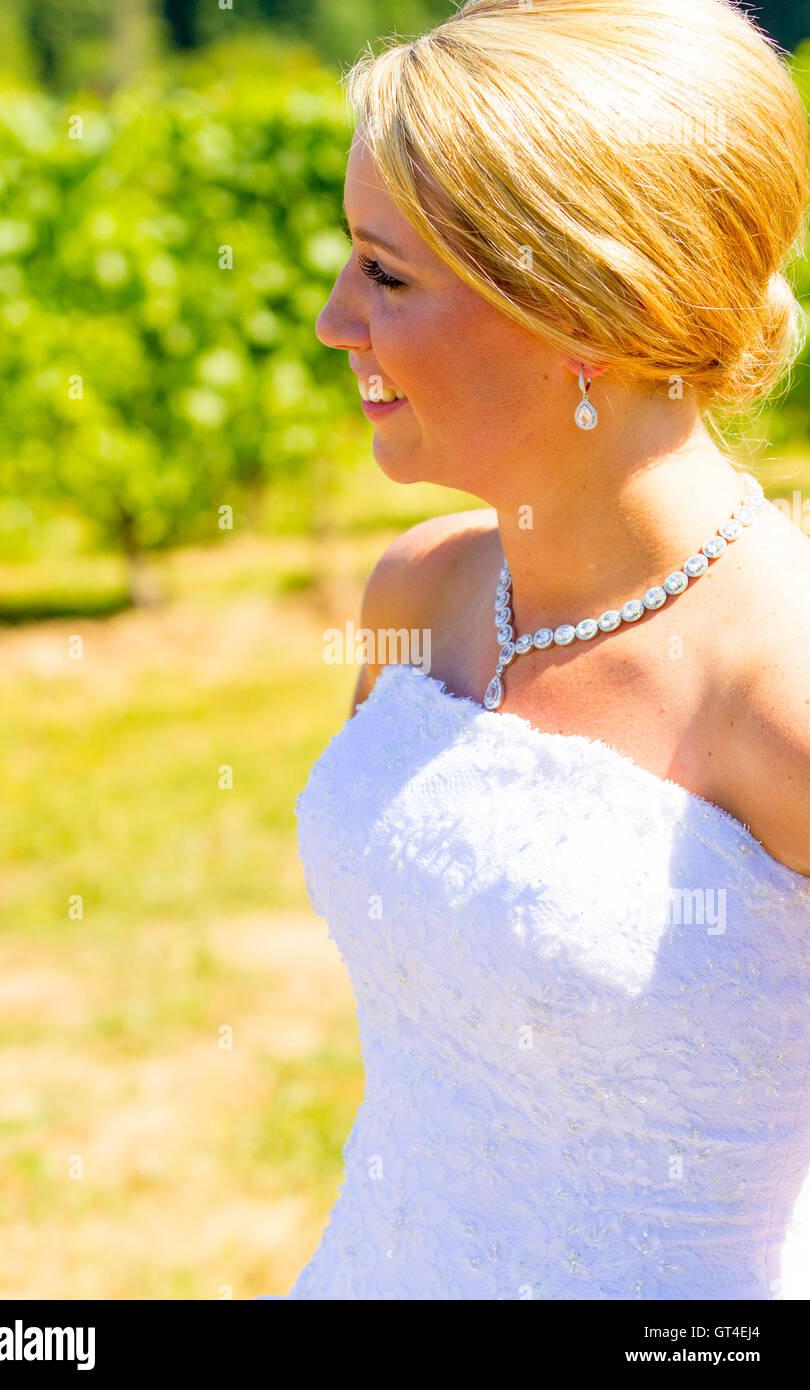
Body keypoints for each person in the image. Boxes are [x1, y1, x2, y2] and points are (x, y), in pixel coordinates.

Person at [286, 0, 810, 1299]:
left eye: (384, 273)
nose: (330, 321)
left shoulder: (783, 696)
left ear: (583, 306)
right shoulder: (420, 590)